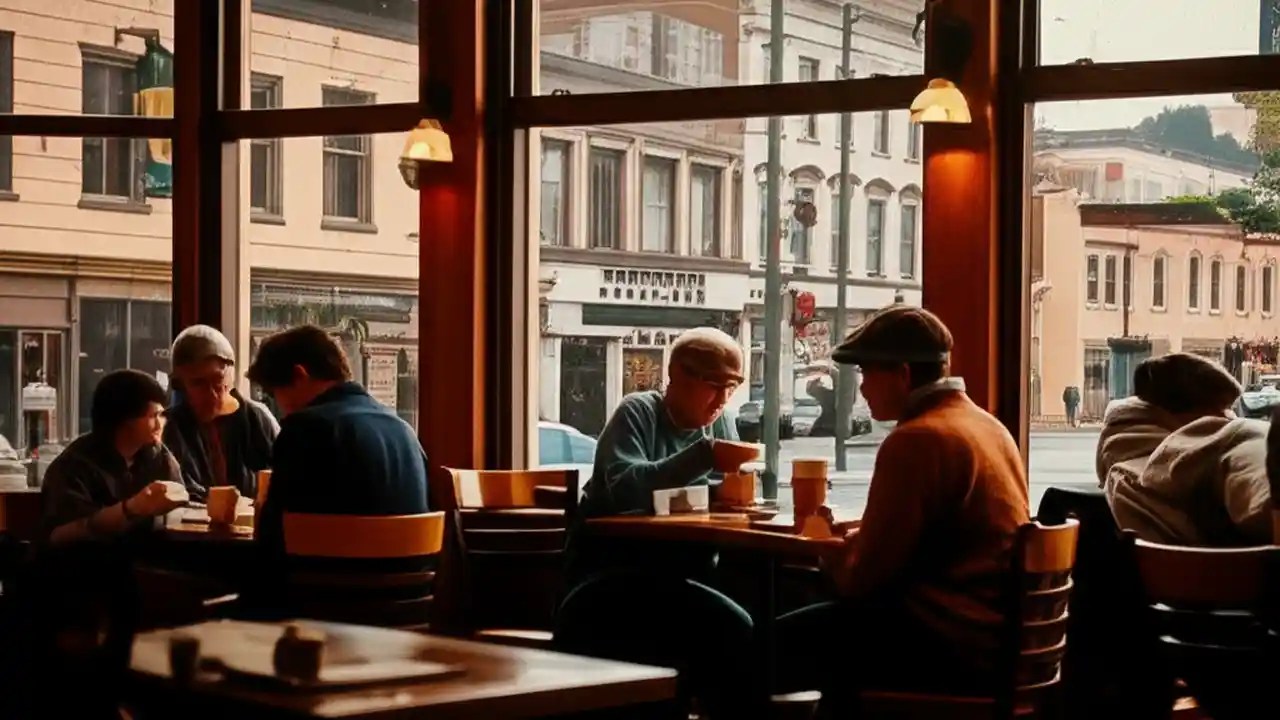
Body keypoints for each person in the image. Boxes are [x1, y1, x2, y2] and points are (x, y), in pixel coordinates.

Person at [772, 305, 1029, 717]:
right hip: (993, 642)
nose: (862, 389)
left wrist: (829, 552)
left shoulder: (916, 440)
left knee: (762, 651)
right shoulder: (988, 426)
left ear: (903, 375)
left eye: (867, 374)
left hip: (941, 644)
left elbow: (864, 582)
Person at [555, 327, 760, 720]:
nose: (723, 400)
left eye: (732, 387)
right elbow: (624, 487)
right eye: (714, 385)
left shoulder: (719, 425)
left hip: (685, 577)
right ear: (677, 375)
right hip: (612, 582)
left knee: (769, 610)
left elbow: (726, 495)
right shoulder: (639, 412)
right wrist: (704, 457)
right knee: (733, 627)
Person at [244, 325, 429, 565]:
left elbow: (274, 535)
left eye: (274, 393)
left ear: (299, 375)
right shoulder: (403, 430)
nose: (278, 405)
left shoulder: (305, 428)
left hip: (327, 584)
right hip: (413, 583)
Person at [40, 369, 187, 546]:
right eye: (153, 415)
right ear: (124, 419)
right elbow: (60, 535)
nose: (160, 424)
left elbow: (182, 505)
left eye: (161, 415)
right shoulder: (74, 464)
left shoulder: (159, 457)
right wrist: (132, 509)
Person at [164, 324, 278, 500]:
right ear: (181, 384)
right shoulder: (167, 427)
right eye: (198, 383)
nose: (211, 393)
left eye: (218, 379)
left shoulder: (258, 418)